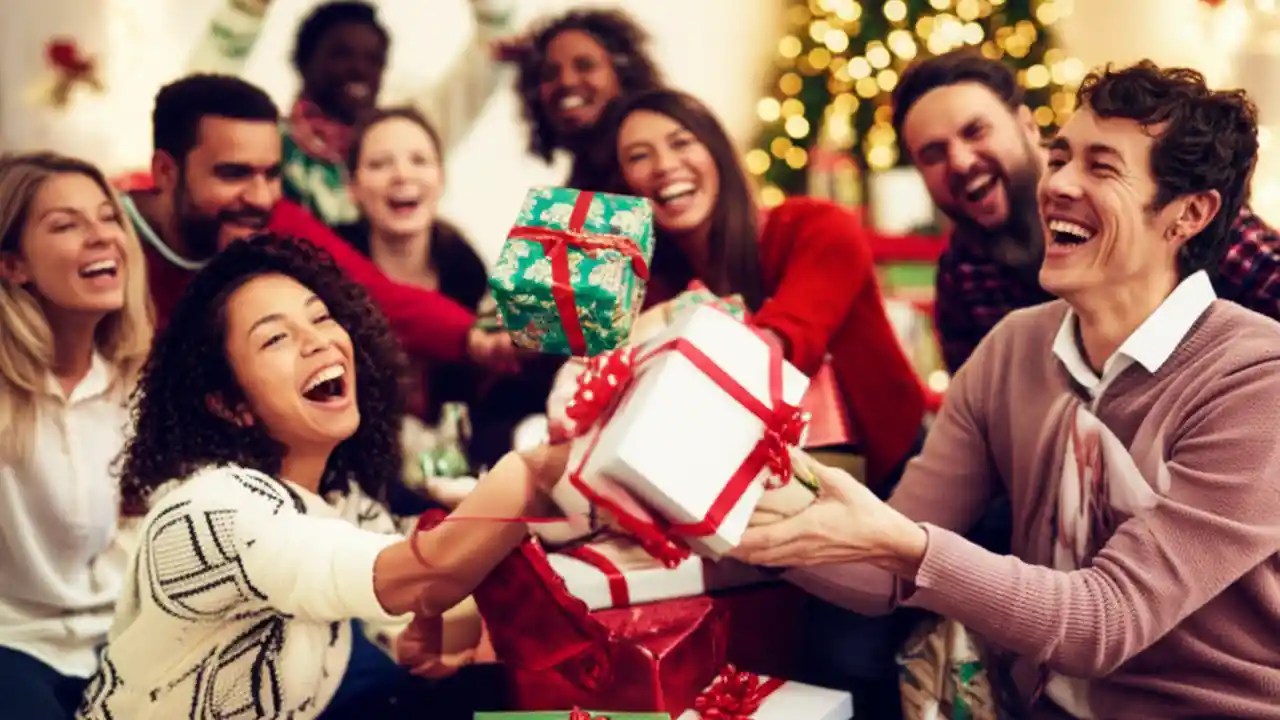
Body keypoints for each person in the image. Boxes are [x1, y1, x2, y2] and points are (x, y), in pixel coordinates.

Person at [737, 62, 1280, 719]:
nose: (1058, 184)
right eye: (1060, 157)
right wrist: (721, 512)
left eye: (1101, 167)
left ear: (1188, 214)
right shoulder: (1012, 348)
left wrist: (901, 543)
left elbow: (1102, 622)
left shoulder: (1256, 379)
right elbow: (884, 577)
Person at [76, 236, 570, 720]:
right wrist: (536, 471)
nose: (318, 341)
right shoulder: (213, 511)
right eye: (276, 338)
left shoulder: (340, 501)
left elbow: (424, 614)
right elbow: (422, 575)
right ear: (231, 404)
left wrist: (443, 637)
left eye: (321, 318)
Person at [591, 88, 927, 713]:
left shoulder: (815, 227)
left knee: (842, 658)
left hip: (893, 486)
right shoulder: (656, 287)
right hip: (765, 510)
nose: (663, 165)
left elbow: (782, 343)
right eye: (639, 156)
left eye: (681, 142)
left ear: (718, 149)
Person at [892, 48, 1280, 373]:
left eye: (975, 131)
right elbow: (980, 425)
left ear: (1028, 126)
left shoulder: (1194, 227)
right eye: (932, 154)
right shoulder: (964, 273)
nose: (959, 162)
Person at [120, 73, 517, 372]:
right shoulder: (109, 241)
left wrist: (475, 336)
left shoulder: (275, 223)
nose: (260, 197)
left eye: (271, 174)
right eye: (233, 174)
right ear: (165, 172)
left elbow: (374, 297)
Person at [0, 152, 152, 719]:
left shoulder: (136, 388)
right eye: (66, 224)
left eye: (108, 216)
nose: (101, 237)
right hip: (12, 645)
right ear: (14, 266)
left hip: (119, 640)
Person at [340, 106, 559, 468]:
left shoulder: (464, 265)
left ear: (441, 179)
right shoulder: (331, 257)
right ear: (352, 187)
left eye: (419, 160)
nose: (402, 175)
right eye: (380, 164)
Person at [282, 0, 518, 225]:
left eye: (374, 59)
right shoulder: (268, 144)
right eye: (342, 54)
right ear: (304, 60)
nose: (359, 68)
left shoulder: (407, 134)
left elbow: (495, 46)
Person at [514, 8, 664, 188]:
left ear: (624, 75)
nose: (566, 81)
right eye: (549, 74)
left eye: (585, 66)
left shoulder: (653, 165)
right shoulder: (582, 182)